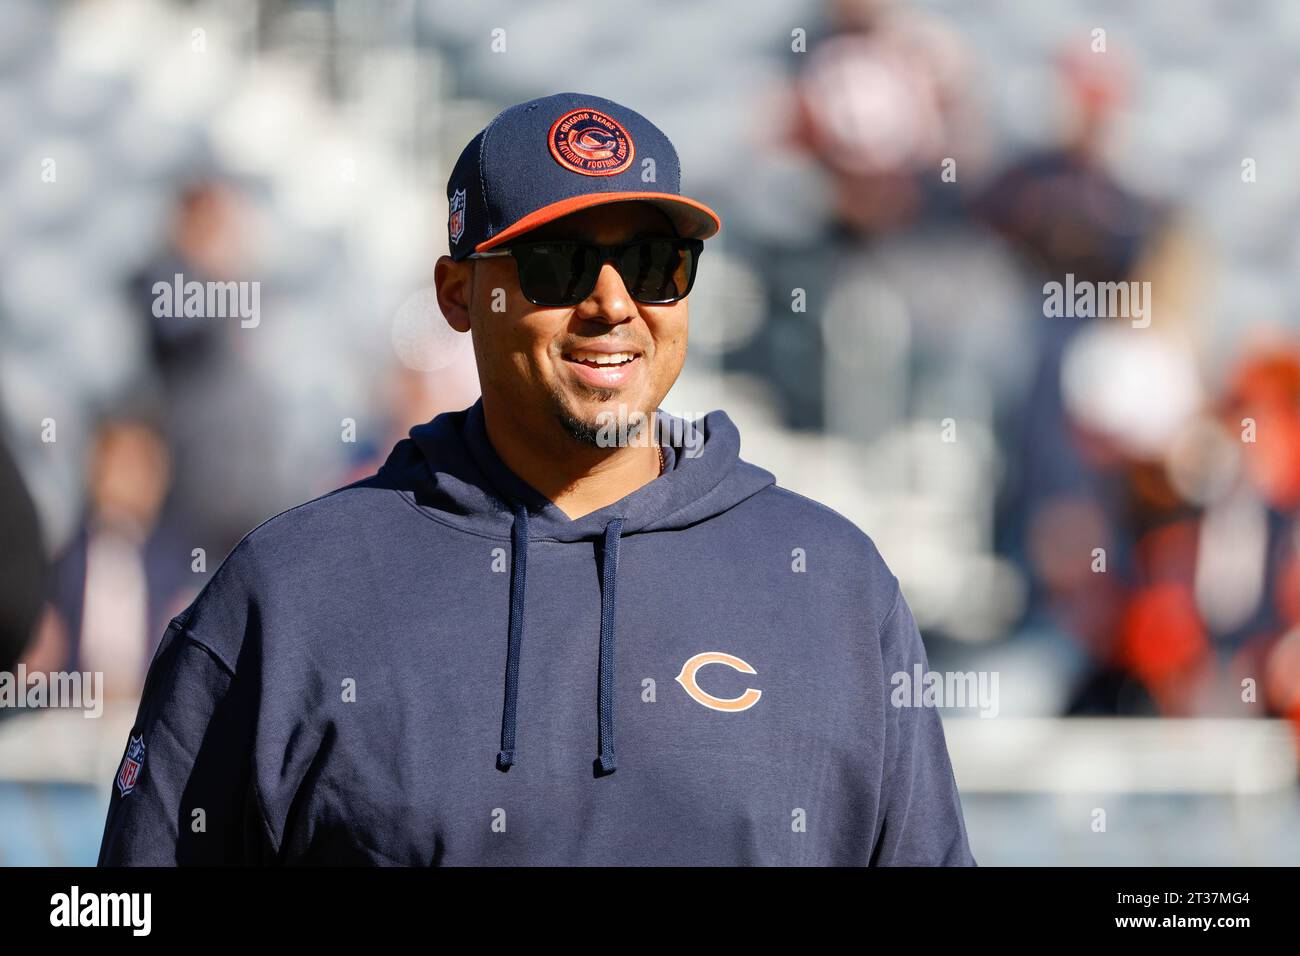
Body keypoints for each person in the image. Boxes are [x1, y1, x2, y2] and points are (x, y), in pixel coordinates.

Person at [97, 92, 975, 866]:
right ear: (457, 294)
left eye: (654, 264)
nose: (612, 302)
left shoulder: (832, 584)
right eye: (557, 263)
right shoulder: (289, 594)